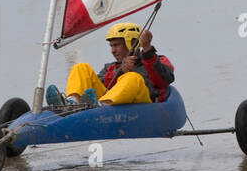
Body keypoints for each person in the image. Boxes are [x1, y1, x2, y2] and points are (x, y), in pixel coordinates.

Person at [45, 22, 174, 109]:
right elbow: (99, 87)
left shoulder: (158, 60)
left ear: (133, 42)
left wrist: (147, 51)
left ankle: (101, 108)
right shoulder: (111, 67)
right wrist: (120, 71)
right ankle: (73, 102)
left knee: (133, 78)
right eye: (111, 46)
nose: (112, 50)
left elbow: (164, 81)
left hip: (144, 105)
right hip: (109, 102)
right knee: (80, 67)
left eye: (116, 45)